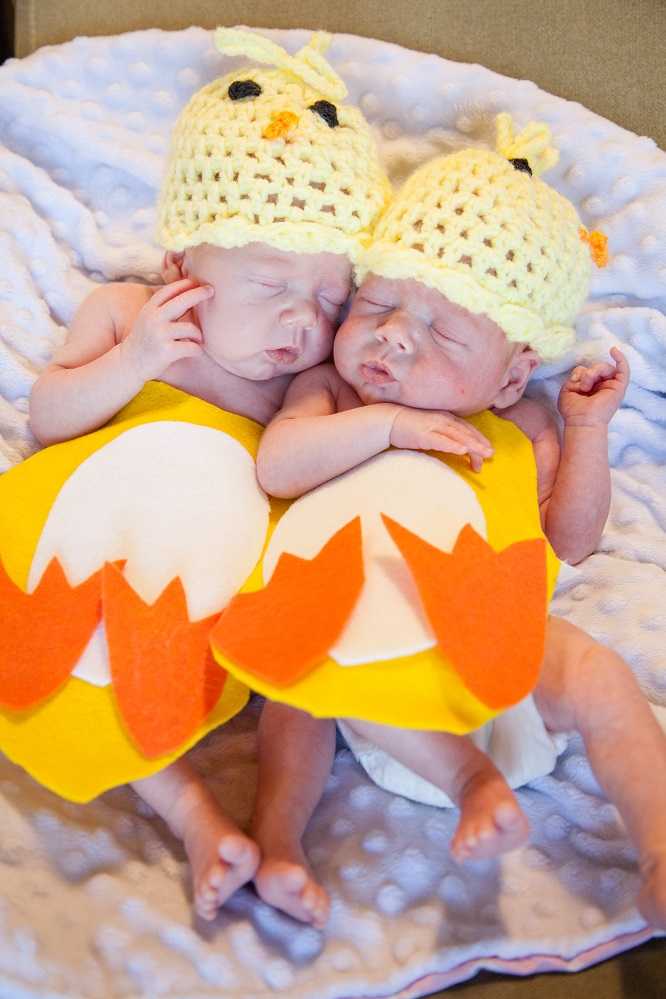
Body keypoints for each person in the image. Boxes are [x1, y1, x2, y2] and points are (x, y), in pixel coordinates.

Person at [212, 114, 666, 932]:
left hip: (490, 640)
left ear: (511, 373)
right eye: (379, 301)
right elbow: (278, 465)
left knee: (599, 675)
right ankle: (277, 839)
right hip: (350, 640)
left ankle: (661, 843)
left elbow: (569, 538)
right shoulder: (335, 393)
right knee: (295, 686)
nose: (392, 335)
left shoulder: (517, 424)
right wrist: (388, 427)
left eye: (443, 331)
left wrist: (587, 432)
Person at [1, 27, 389, 921]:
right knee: (75, 664)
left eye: (330, 299)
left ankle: (241, 824)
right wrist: (130, 363)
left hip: (195, 582)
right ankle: (193, 813)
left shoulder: (304, 381)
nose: (302, 318)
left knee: (179, 673)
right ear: (183, 265)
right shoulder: (130, 315)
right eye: (269, 284)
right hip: (84, 550)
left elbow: (301, 482)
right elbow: (48, 419)